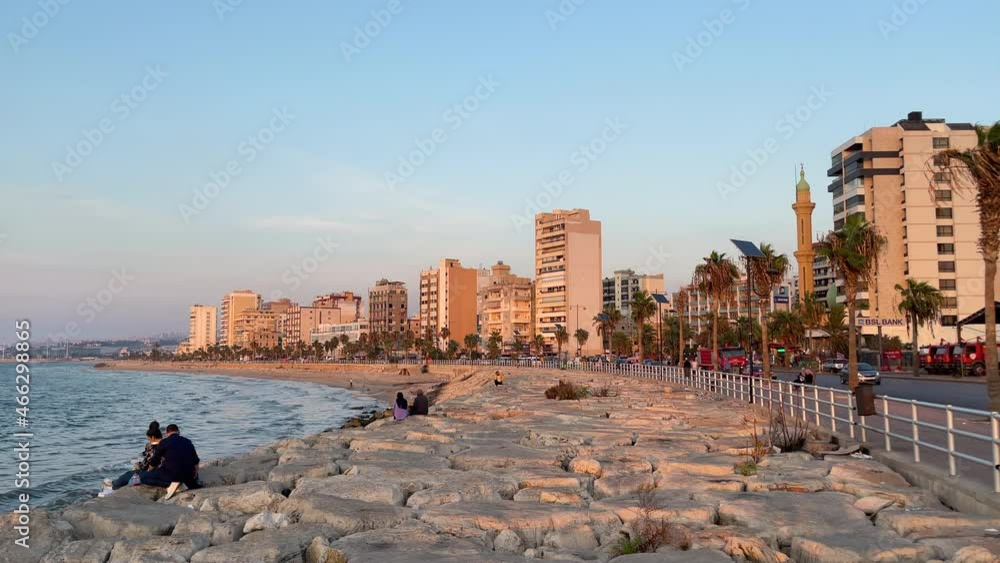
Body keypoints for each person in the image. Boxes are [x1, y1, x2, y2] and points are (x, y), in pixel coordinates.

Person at [137, 424, 201, 499]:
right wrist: (194, 475)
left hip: (171, 475)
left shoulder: (164, 442)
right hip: (188, 476)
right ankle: (183, 483)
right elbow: (196, 463)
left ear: (167, 433)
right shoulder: (188, 442)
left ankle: (171, 484)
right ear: (178, 431)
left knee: (143, 478)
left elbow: (154, 461)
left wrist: (149, 471)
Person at [111, 421, 162, 490]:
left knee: (128, 475)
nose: (149, 441)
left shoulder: (153, 447)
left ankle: (115, 485)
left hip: (156, 475)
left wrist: (138, 466)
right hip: (166, 473)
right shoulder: (167, 443)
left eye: (149, 439)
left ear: (152, 437)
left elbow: (148, 464)